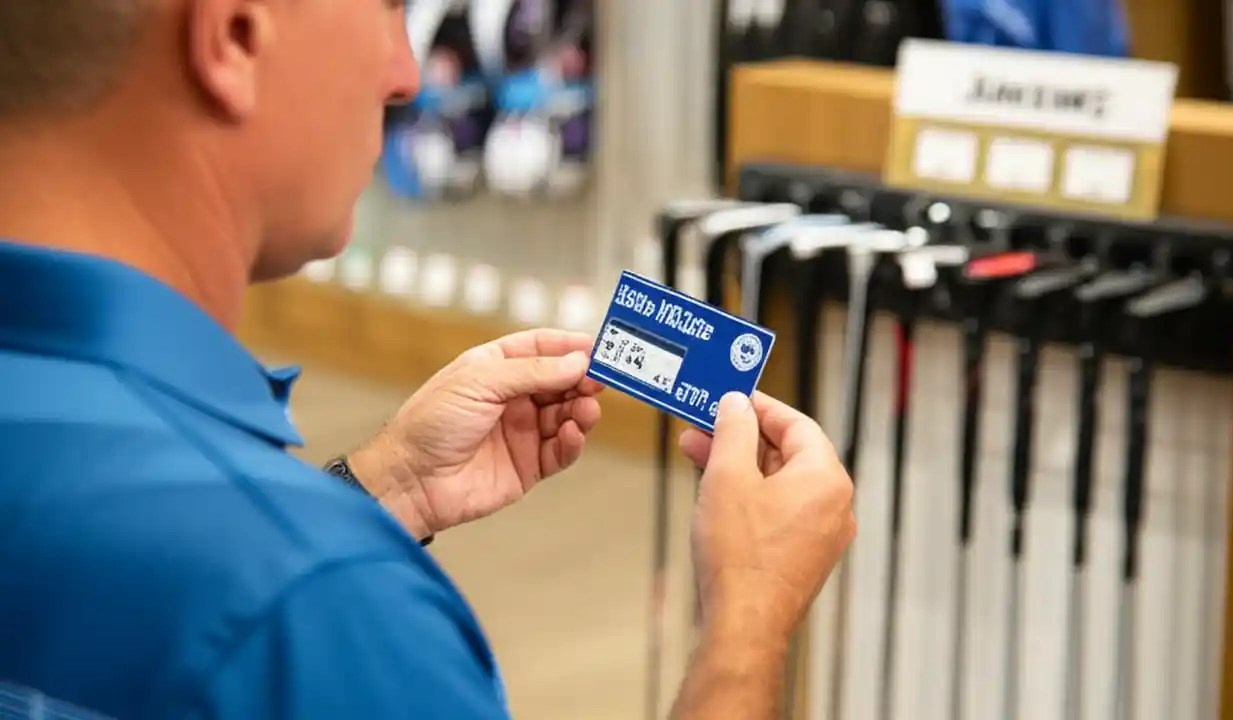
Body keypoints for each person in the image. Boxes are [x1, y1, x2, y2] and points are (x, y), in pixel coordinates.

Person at [0, 2, 856, 719]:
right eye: (387, 7)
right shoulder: (317, 611)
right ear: (235, 37)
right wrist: (749, 619)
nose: (406, 74)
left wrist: (379, 492)